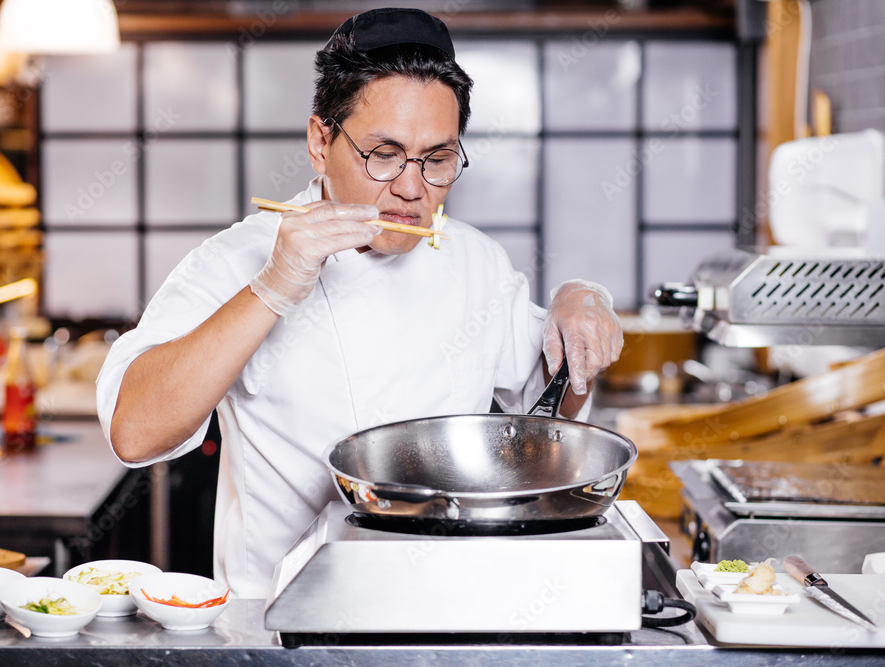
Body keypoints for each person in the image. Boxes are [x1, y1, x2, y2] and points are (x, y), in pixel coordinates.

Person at [97, 7, 623, 599]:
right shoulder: (237, 259)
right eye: (384, 153)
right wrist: (271, 289)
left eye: (438, 159)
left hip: (446, 607)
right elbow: (134, 433)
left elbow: (546, 422)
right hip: (280, 621)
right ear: (321, 141)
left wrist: (580, 305)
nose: (410, 187)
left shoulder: (475, 261)